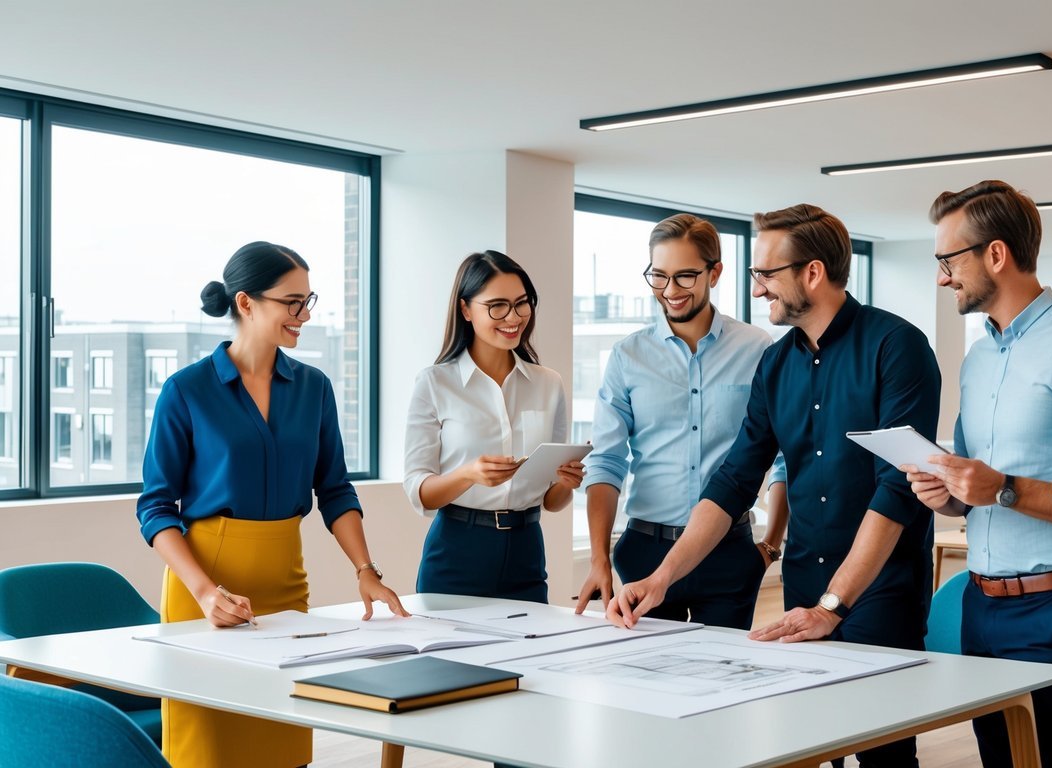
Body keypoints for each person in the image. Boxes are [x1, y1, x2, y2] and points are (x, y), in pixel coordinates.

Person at [609, 204, 941, 768]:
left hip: (878, 588)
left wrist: (834, 605)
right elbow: (737, 477)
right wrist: (661, 578)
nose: (758, 290)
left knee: (884, 752)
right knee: (808, 743)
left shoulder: (896, 346)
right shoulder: (776, 363)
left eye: (766, 274)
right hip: (804, 579)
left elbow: (897, 488)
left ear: (811, 273)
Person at [905, 180, 1052, 768]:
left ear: (995, 254)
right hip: (980, 604)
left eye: (948, 259)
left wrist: (1005, 488)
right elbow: (978, 486)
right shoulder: (978, 358)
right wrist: (949, 495)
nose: (942, 277)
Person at [137, 241, 408, 768]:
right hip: (205, 585)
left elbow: (334, 489)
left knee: (281, 745)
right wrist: (204, 591)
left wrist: (366, 570)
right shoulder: (186, 390)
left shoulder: (314, 388)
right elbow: (155, 506)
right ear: (245, 303)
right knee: (208, 750)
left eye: (308, 301)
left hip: (285, 580)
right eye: (292, 302)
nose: (303, 315)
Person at [575, 213, 788, 629]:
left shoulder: (757, 348)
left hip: (729, 551)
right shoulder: (627, 356)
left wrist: (770, 547)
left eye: (686, 276)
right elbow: (607, 463)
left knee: (728, 684)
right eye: (659, 276)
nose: (670, 291)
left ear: (716, 272)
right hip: (645, 550)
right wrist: (599, 559)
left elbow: (783, 457)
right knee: (647, 684)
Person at [404, 250, 584, 604]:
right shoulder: (434, 383)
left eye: (521, 303)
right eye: (497, 306)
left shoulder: (549, 384)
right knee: (451, 660)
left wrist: (567, 483)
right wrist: (468, 474)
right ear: (466, 309)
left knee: (528, 658)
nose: (513, 317)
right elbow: (418, 492)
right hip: (457, 550)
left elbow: (551, 500)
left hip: (526, 552)